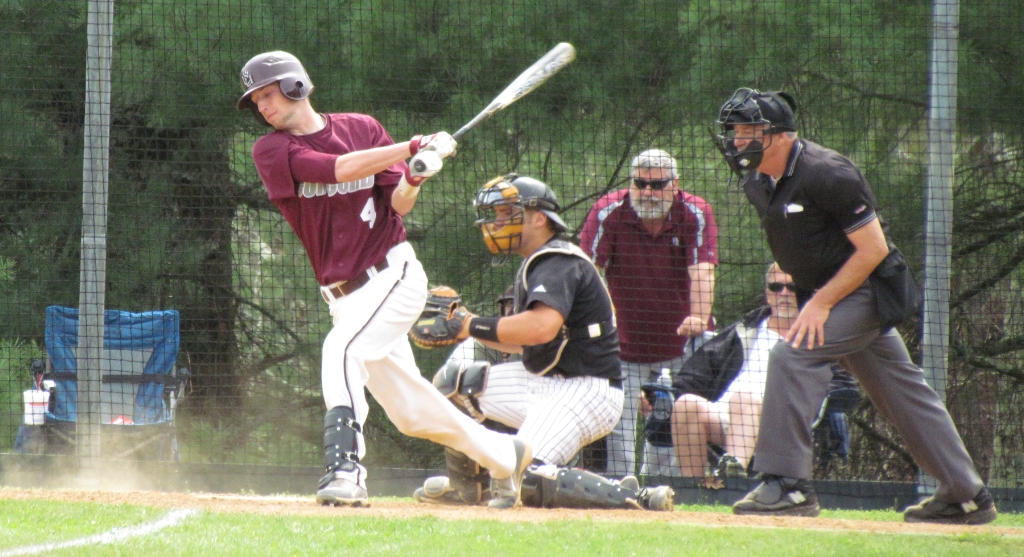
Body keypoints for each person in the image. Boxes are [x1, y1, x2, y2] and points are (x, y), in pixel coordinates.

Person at [236, 51, 530, 508]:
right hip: (343, 296)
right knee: (410, 413)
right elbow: (335, 169)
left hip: (393, 273)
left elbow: (400, 205)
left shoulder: (362, 128)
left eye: (268, 94)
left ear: (297, 86)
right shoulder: (272, 150)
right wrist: (412, 148)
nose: (263, 106)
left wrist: (414, 177)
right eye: (256, 100)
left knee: (341, 349)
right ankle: (504, 455)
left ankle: (345, 470)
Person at [711, 87, 995, 524]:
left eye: (750, 130)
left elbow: (873, 249)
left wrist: (821, 303)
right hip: (828, 292)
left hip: (869, 289)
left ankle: (787, 486)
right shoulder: (756, 182)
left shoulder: (828, 172)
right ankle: (966, 496)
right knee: (899, 390)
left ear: (782, 135)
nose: (737, 140)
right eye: (736, 130)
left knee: (792, 356)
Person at [413, 174, 674, 511]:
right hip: (544, 381)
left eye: (508, 213)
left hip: (585, 390)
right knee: (456, 385)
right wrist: (470, 325)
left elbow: (540, 329)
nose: (497, 222)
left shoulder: (557, 261)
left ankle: (629, 495)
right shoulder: (537, 263)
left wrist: (468, 324)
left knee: (527, 477)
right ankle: (470, 489)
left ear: (539, 217)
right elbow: (525, 343)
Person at [580, 149, 719, 478]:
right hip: (621, 347)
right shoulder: (608, 211)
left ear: (676, 184)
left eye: (657, 185)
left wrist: (699, 317)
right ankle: (618, 492)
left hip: (682, 346)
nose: (648, 193)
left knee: (672, 428)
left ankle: (668, 492)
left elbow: (703, 270)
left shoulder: (695, 212)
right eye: (640, 184)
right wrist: (594, 326)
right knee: (616, 426)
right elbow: (587, 272)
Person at [651, 263, 798, 479]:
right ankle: (696, 493)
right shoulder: (745, 328)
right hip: (726, 416)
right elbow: (702, 367)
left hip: (781, 421)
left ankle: (732, 479)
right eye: (776, 287)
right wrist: (659, 396)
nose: (784, 293)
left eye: (792, 287)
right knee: (685, 405)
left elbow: (836, 380)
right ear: (768, 294)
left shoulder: (816, 334)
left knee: (743, 398)